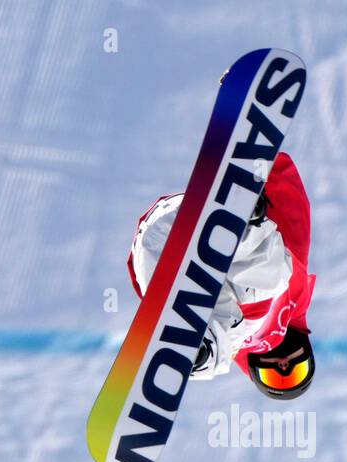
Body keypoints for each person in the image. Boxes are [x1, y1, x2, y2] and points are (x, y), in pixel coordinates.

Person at [126, 152, 317, 400]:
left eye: (273, 376)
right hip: (202, 220)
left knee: (224, 350)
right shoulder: (296, 295)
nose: (283, 366)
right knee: (276, 280)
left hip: (162, 243)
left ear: (253, 371)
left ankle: (192, 348)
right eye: (297, 372)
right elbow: (296, 222)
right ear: (308, 353)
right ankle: (240, 223)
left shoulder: (234, 346)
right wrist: (260, 162)